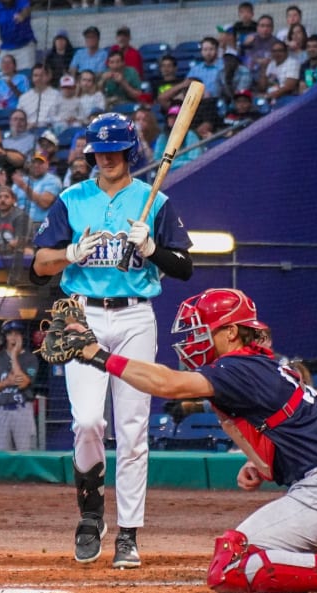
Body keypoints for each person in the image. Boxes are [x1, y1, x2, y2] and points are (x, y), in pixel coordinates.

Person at [48, 287, 317, 593]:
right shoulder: (258, 366)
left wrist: (96, 354)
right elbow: (310, 431)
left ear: (231, 332)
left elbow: (168, 384)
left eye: (203, 330)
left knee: (231, 564)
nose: (194, 340)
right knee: (260, 553)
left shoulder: (237, 367)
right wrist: (261, 464)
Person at [29, 113, 195, 569]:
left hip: (136, 317)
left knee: (133, 430)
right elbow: (37, 265)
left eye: (114, 149)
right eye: (99, 151)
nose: (105, 157)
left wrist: (151, 250)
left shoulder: (154, 201)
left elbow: (183, 267)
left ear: (128, 152)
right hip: (82, 315)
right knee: (86, 423)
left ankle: (128, 533)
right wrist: (70, 254)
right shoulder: (71, 199)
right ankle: (89, 513)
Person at [0, 319, 39, 451]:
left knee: (25, 452)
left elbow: (23, 383)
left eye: (17, 333)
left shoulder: (30, 358)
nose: (13, 337)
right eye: (10, 334)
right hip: (2, 410)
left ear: (22, 336)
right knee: (2, 455)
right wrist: (6, 383)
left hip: (22, 409)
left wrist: (14, 355)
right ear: (5, 337)